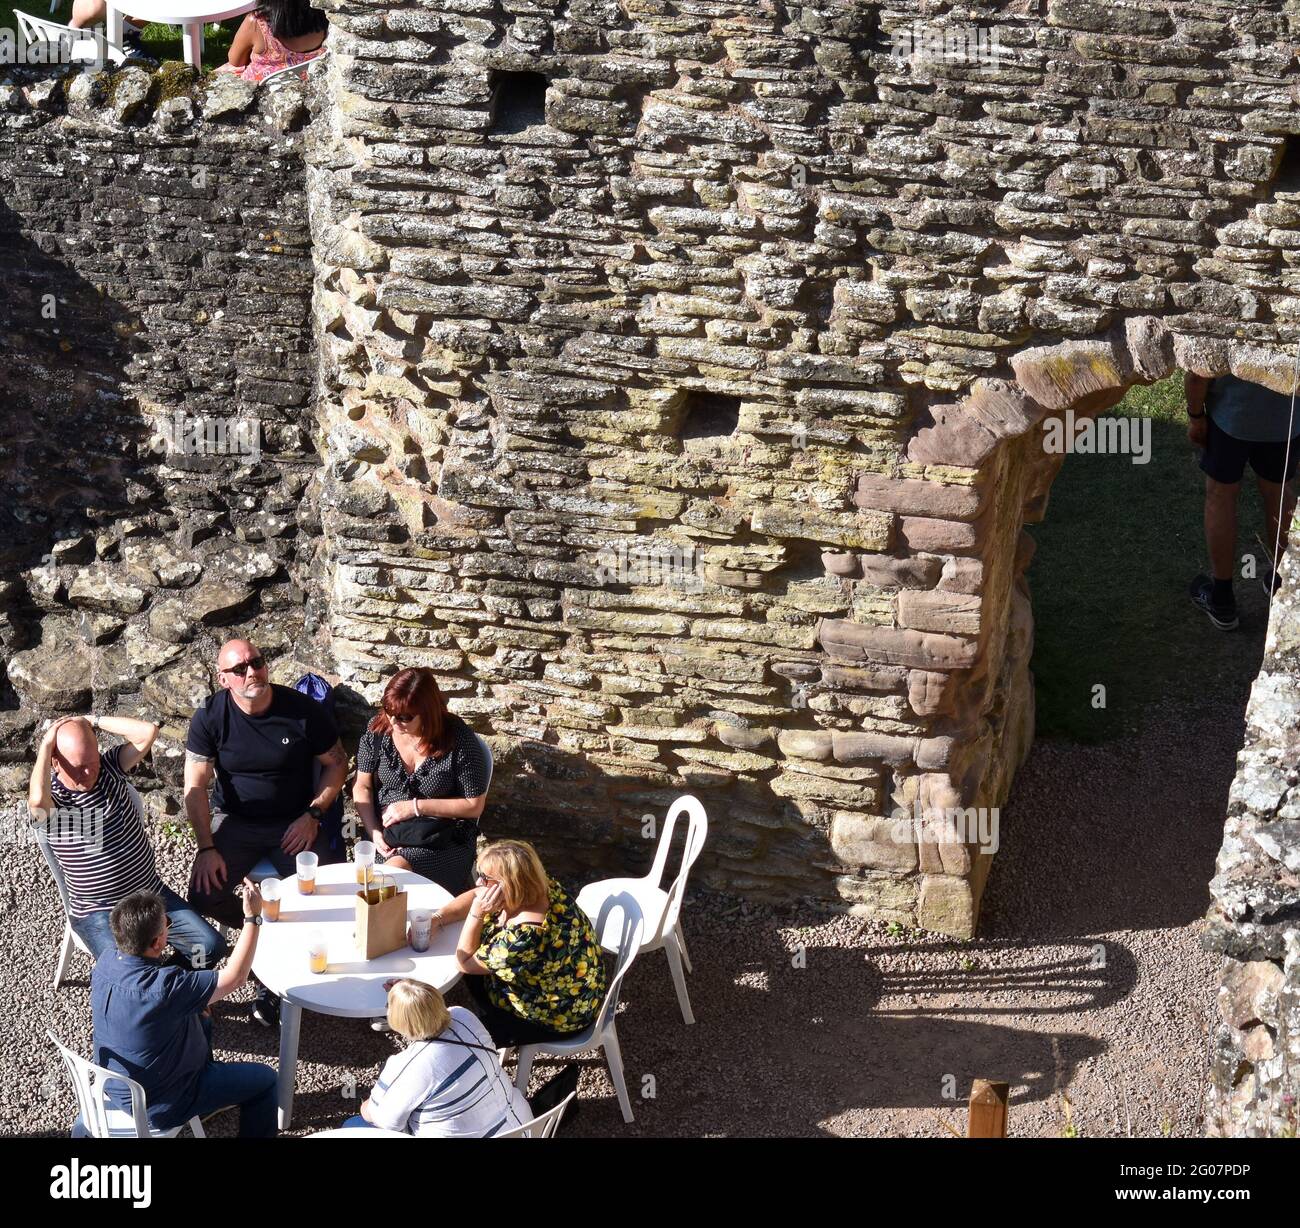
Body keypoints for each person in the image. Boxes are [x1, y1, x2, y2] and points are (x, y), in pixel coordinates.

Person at [185, 638, 347, 1026]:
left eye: (256, 662)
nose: (251, 672)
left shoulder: (302, 711)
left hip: (295, 821)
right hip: (237, 822)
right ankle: (261, 940)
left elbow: (337, 765)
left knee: (329, 891)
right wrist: (206, 847)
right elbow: (195, 786)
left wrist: (313, 814)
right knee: (203, 893)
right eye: (239, 669)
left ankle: (290, 972)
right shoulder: (210, 716)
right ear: (224, 679)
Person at [28, 713, 225, 971]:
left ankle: (179, 986)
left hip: (149, 894)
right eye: (78, 767)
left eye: (92, 762)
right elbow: (35, 804)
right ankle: (159, 994)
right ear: (55, 762)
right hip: (100, 912)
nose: (88, 772)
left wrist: (91, 720)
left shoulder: (108, 770)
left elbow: (147, 733)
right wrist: (45, 745)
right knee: (130, 972)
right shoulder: (56, 804)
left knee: (207, 947)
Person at [85, 885, 276, 1138]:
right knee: (266, 1081)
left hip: (113, 1086)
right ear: (157, 942)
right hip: (161, 1104)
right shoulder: (164, 986)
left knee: (201, 1016)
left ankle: (209, 1099)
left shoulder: (106, 962)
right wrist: (252, 918)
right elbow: (237, 977)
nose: (169, 927)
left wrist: (193, 1005)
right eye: (168, 924)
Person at [437, 840, 607, 1047]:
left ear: (511, 884)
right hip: (577, 989)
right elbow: (478, 893)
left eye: (485, 877)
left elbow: (462, 961)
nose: (479, 883)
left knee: (461, 1042)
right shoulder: (541, 886)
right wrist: (438, 918)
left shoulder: (524, 936)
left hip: (557, 1017)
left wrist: (476, 913)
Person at [353, 667, 491, 895]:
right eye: (389, 711)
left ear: (427, 712)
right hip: (388, 835)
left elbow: (474, 805)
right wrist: (373, 831)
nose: (394, 721)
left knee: (385, 882)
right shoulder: (378, 730)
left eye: (405, 717)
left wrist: (414, 807)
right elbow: (362, 785)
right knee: (367, 880)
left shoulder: (456, 739)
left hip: (441, 839)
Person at [342, 979, 530, 1137]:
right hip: (525, 1127)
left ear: (397, 1022)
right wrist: (411, 994)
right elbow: (442, 1012)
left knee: (352, 1125)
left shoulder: (407, 1067)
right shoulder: (464, 1016)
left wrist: (368, 1106)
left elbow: (385, 1122)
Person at [1186, 371, 1300, 629]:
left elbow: (1198, 372)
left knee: (1220, 495)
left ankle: (1222, 599)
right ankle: (1283, 583)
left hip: (1230, 414)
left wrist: (1195, 416)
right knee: (1279, 492)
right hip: (1287, 415)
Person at [218, 0, 328, 83]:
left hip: (262, 92)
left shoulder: (257, 22)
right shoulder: (329, 17)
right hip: (309, 83)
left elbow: (235, 61)